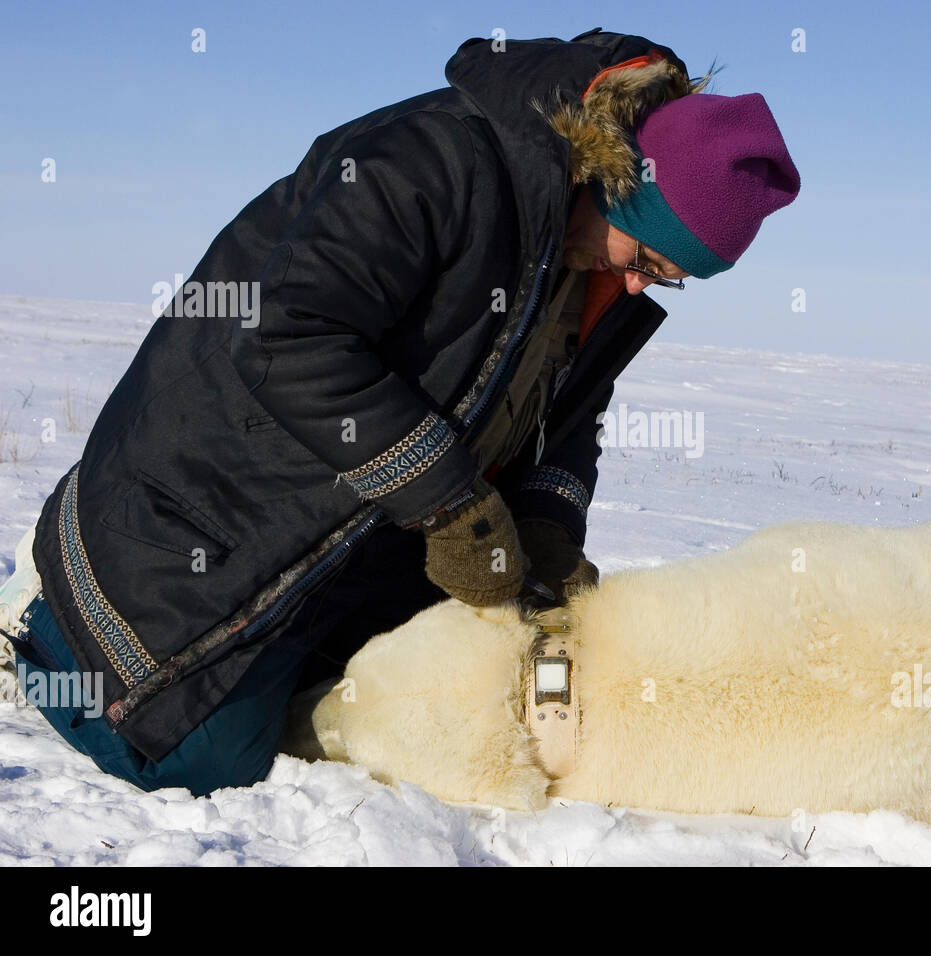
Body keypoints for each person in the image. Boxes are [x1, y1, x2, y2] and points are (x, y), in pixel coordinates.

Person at [0, 28, 800, 796]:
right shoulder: (436, 164)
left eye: (668, 280)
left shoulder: (592, 268)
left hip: (368, 514)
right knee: (191, 754)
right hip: (218, 490)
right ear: (619, 186)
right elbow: (287, 336)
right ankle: (42, 635)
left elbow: (571, 419)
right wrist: (451, 506)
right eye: (647, 260)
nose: (638, 286)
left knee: (455, 679)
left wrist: (547, 528)